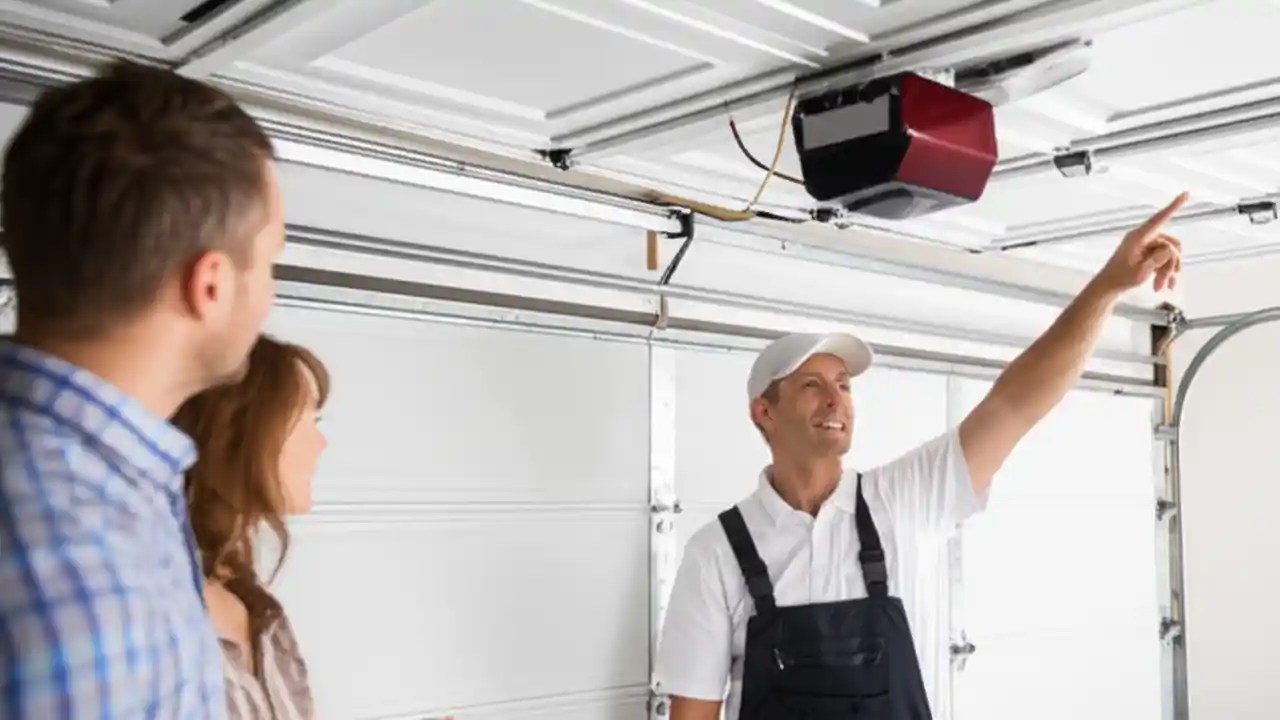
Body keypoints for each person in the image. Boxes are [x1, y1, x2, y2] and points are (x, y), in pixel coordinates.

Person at [654, 193, 1187, 720]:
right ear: (763, 413)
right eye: (810, 386)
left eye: (843, 384)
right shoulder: (716, 554)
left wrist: (1108, 287)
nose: (836, 399)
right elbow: (694, 713)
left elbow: (1015, 404)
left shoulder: (903, 499)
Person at [0, 60, 283, 718]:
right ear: (208, 286)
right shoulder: (80, 574)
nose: (270, 291)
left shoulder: (114, 487)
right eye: (271, 262)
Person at [172, 335, 329, 719]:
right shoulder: (154, 616)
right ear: (241, 426)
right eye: (308, 417)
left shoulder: (259, 612)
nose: (321, 443)